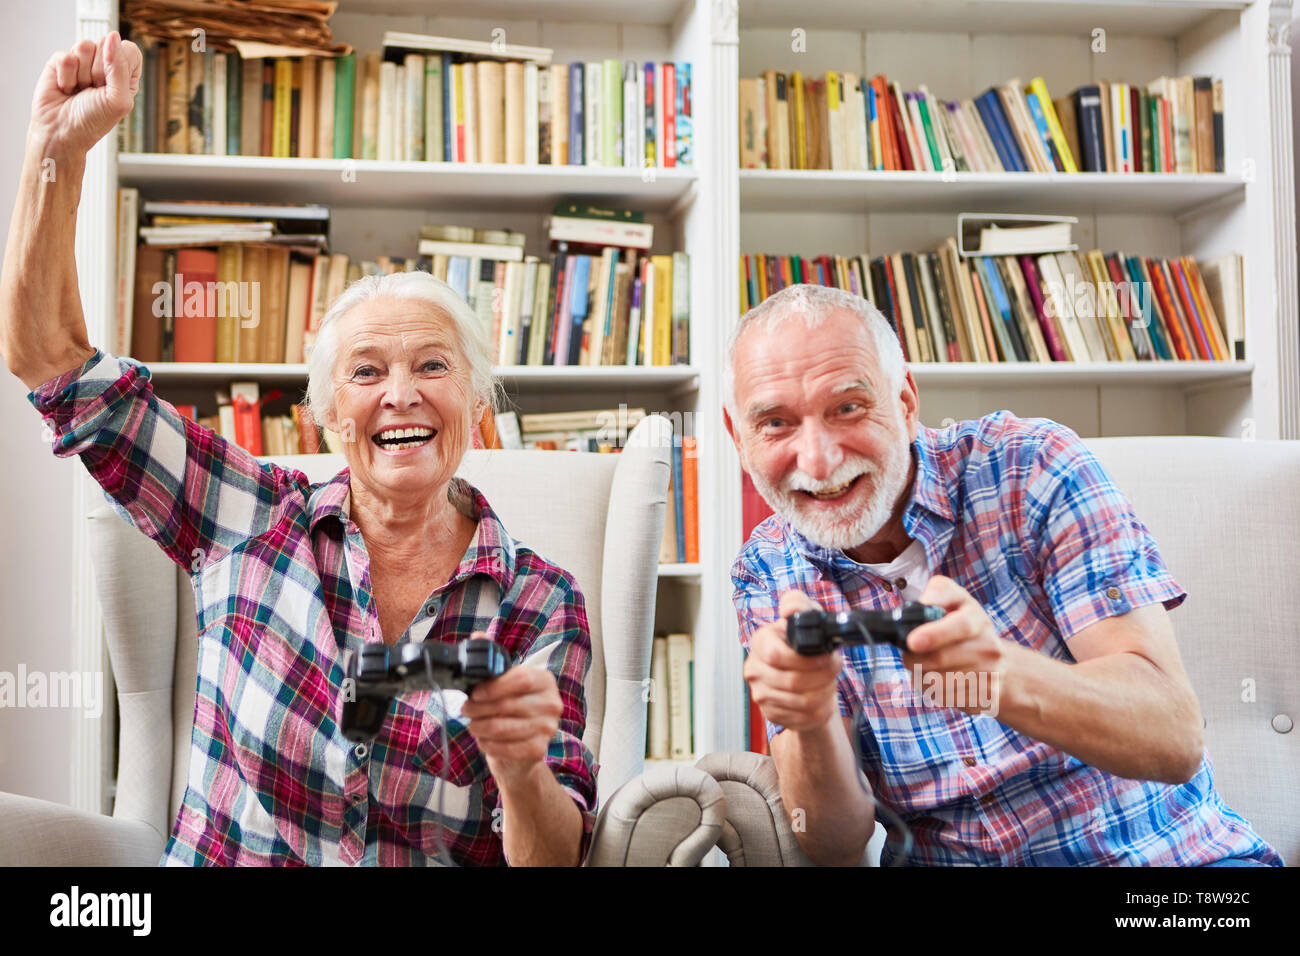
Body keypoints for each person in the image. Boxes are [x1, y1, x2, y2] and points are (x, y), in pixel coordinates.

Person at [0, 32, 596, 866]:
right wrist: (53, 155)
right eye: (366, 372)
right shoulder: (244, 512)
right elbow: (48, 357)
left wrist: (520, 764)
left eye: (433, 365)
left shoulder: (541, 603)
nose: (401, 394)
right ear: (324, 414)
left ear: (474, 400)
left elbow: (555, 861)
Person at [724, 283, 1282, 866]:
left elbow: (1174, 737)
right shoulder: (765, 572)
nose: (818, 460)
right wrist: (811, 722)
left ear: (906, 401)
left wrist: (1001, 678)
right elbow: (833, 844)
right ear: (739, 439)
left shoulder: (1031, 466)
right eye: (776, 423)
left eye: (848, 407)